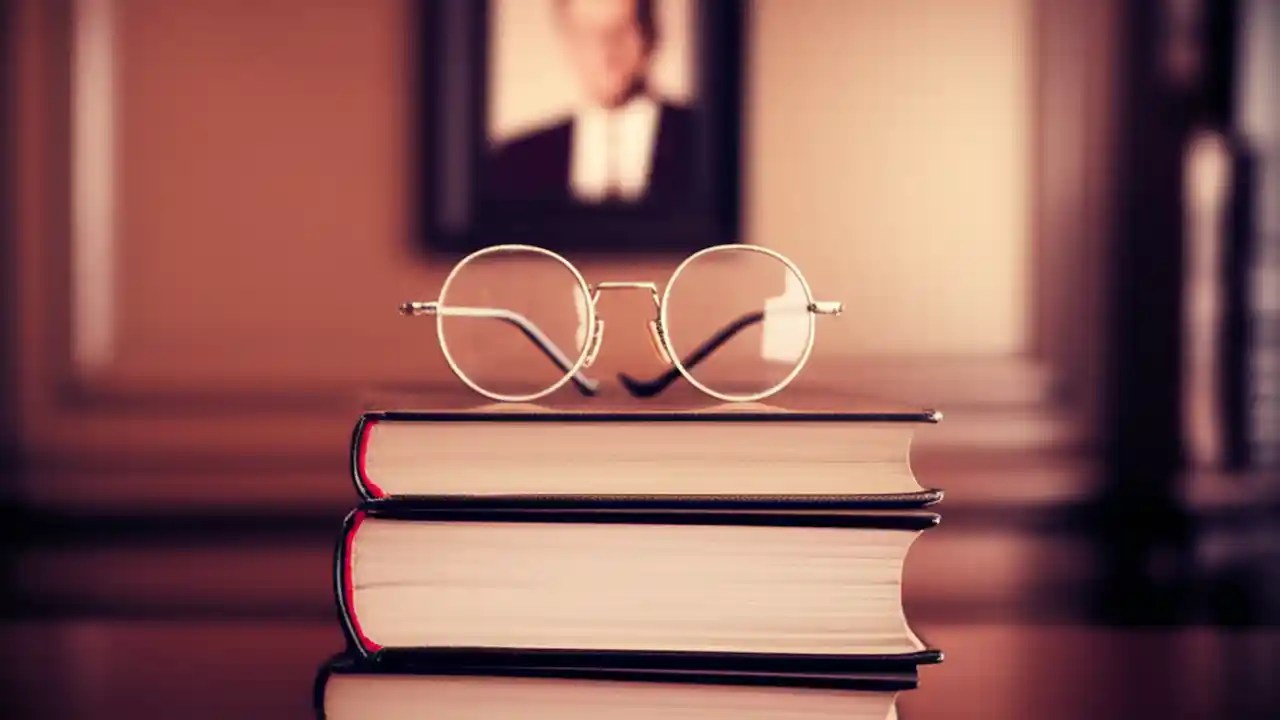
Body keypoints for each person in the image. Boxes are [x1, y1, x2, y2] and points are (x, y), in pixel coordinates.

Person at [486, 0, 695, 213]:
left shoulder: (703, 144)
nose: (605, 48)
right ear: (567, 40)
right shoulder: (516, 162)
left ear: (651, 33)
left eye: (621, 29)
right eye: (587, 34)